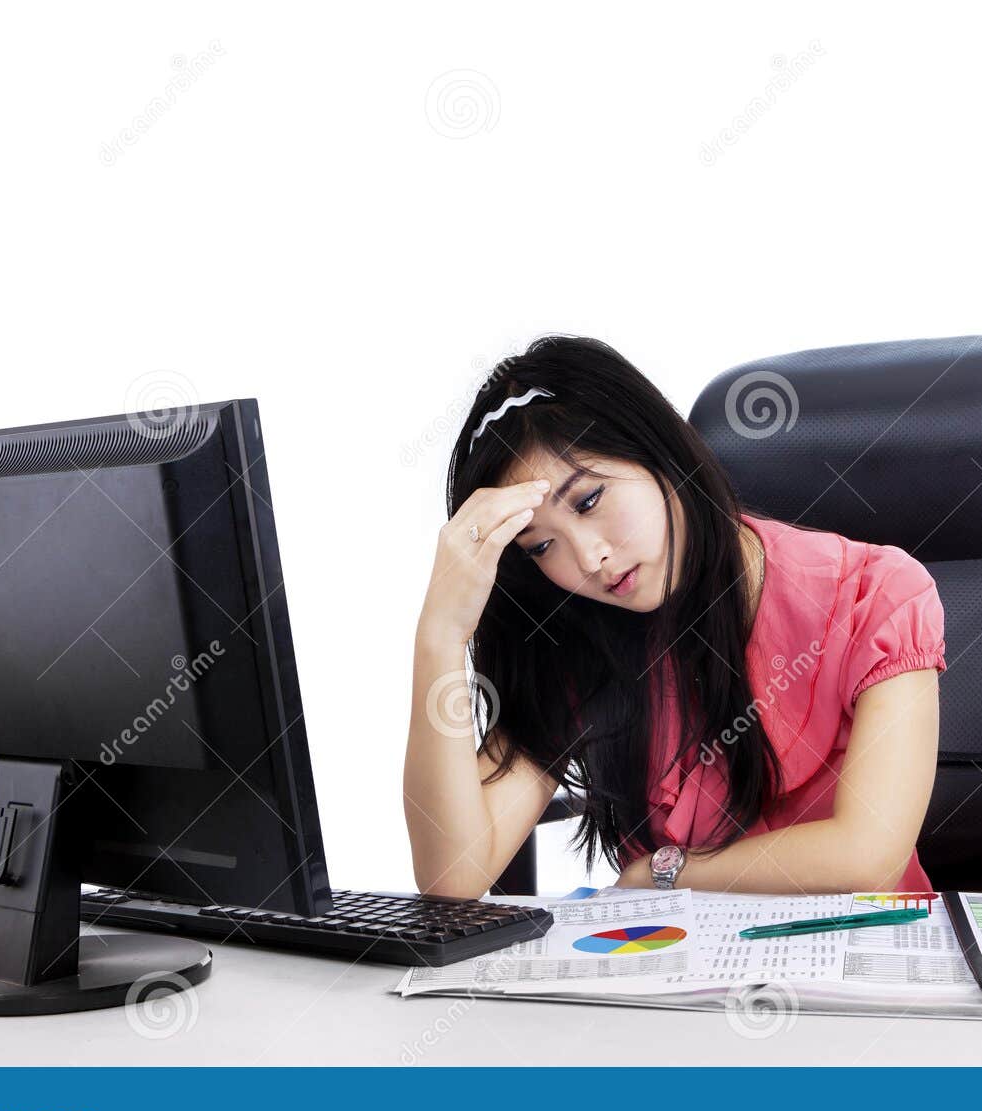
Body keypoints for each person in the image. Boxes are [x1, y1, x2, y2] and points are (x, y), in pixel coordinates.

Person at [403, 335, 945, 898]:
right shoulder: (581, 638)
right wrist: (440, 636)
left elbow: (867, 857)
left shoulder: (877, 594)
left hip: (861, 965)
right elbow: (452, 879)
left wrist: (659, 872)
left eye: (589, 500)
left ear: (658, 449)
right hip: (671, 973)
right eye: (542, 547)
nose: (589, 559)